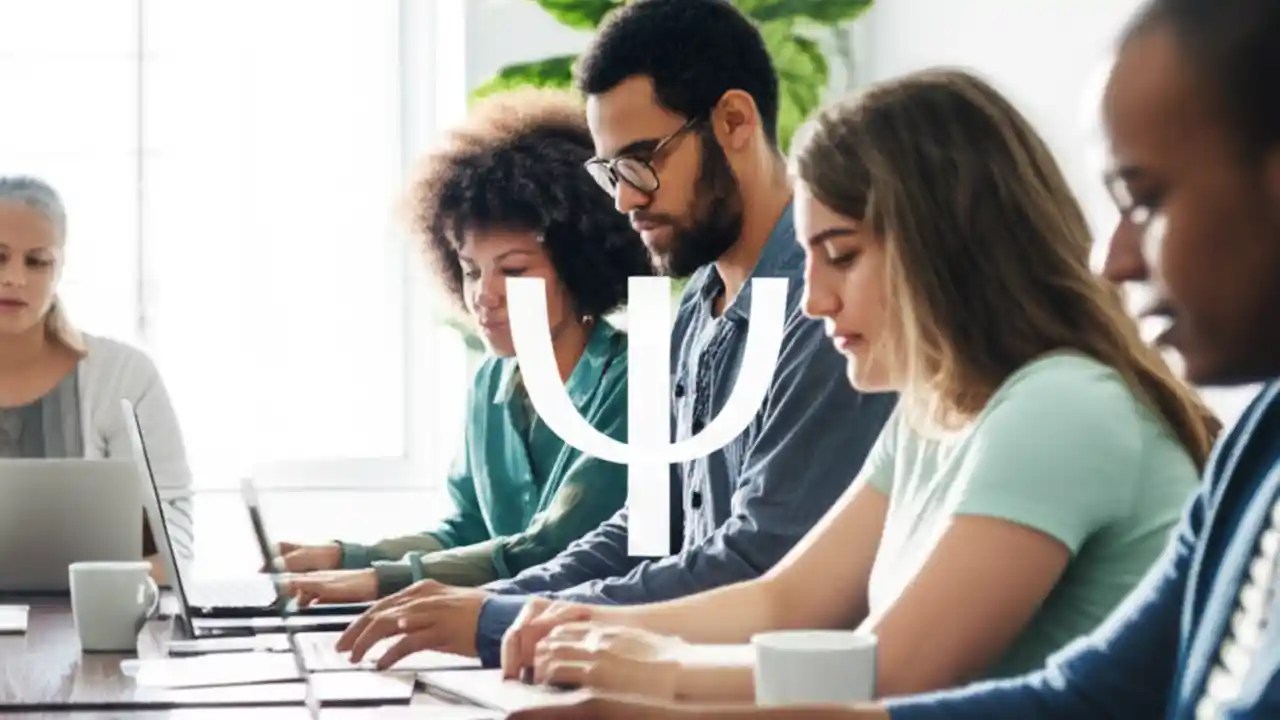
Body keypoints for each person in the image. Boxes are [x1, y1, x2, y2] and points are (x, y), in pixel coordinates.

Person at [506, 0, 1280, 717]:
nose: (811, 300)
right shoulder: (937, 414)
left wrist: (660, 677)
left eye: (839, 255)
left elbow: (897, 673)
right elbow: (790, 601)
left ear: (939, 246)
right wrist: (597, 634)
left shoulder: (1062, 406)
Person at [330, 0, 896, 668]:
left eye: (640, 161)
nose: (624, 198)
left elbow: (757, 560)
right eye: (610, 172)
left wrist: (503, 619)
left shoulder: (829, 314)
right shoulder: (693, 312)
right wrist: (494, 605)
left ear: (735, 121)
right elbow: (646, 529)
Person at [280, 90, 653, 603]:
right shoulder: (490, 383)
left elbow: (554, 547)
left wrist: (376, 580)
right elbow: (467, 531)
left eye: (515, 270)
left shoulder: (636, 380)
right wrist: (342, 556)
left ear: (579, 266)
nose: (484, 295)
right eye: (471, 270)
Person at [0, 175, 193, 580]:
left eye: (37, 261)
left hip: (93, 627)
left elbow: (173, 545)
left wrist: (93, 581)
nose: (15, 278)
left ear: (59, 267)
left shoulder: (124, 377)